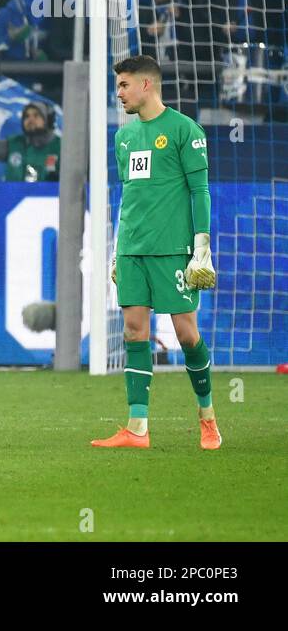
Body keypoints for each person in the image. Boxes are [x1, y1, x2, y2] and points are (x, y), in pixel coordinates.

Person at [93, 54, 220, 451]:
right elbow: (130, 194)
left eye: (124, 85)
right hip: (133, 250)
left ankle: (208, 419)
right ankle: (137, 428)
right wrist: (118, 251)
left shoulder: (184, 130)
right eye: (118, 86)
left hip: (173, 251)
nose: (119, 94)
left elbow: (200, 191)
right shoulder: (124, 137)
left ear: (147, 85)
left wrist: (202, 245)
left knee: (186, 333)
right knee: (134, 330)